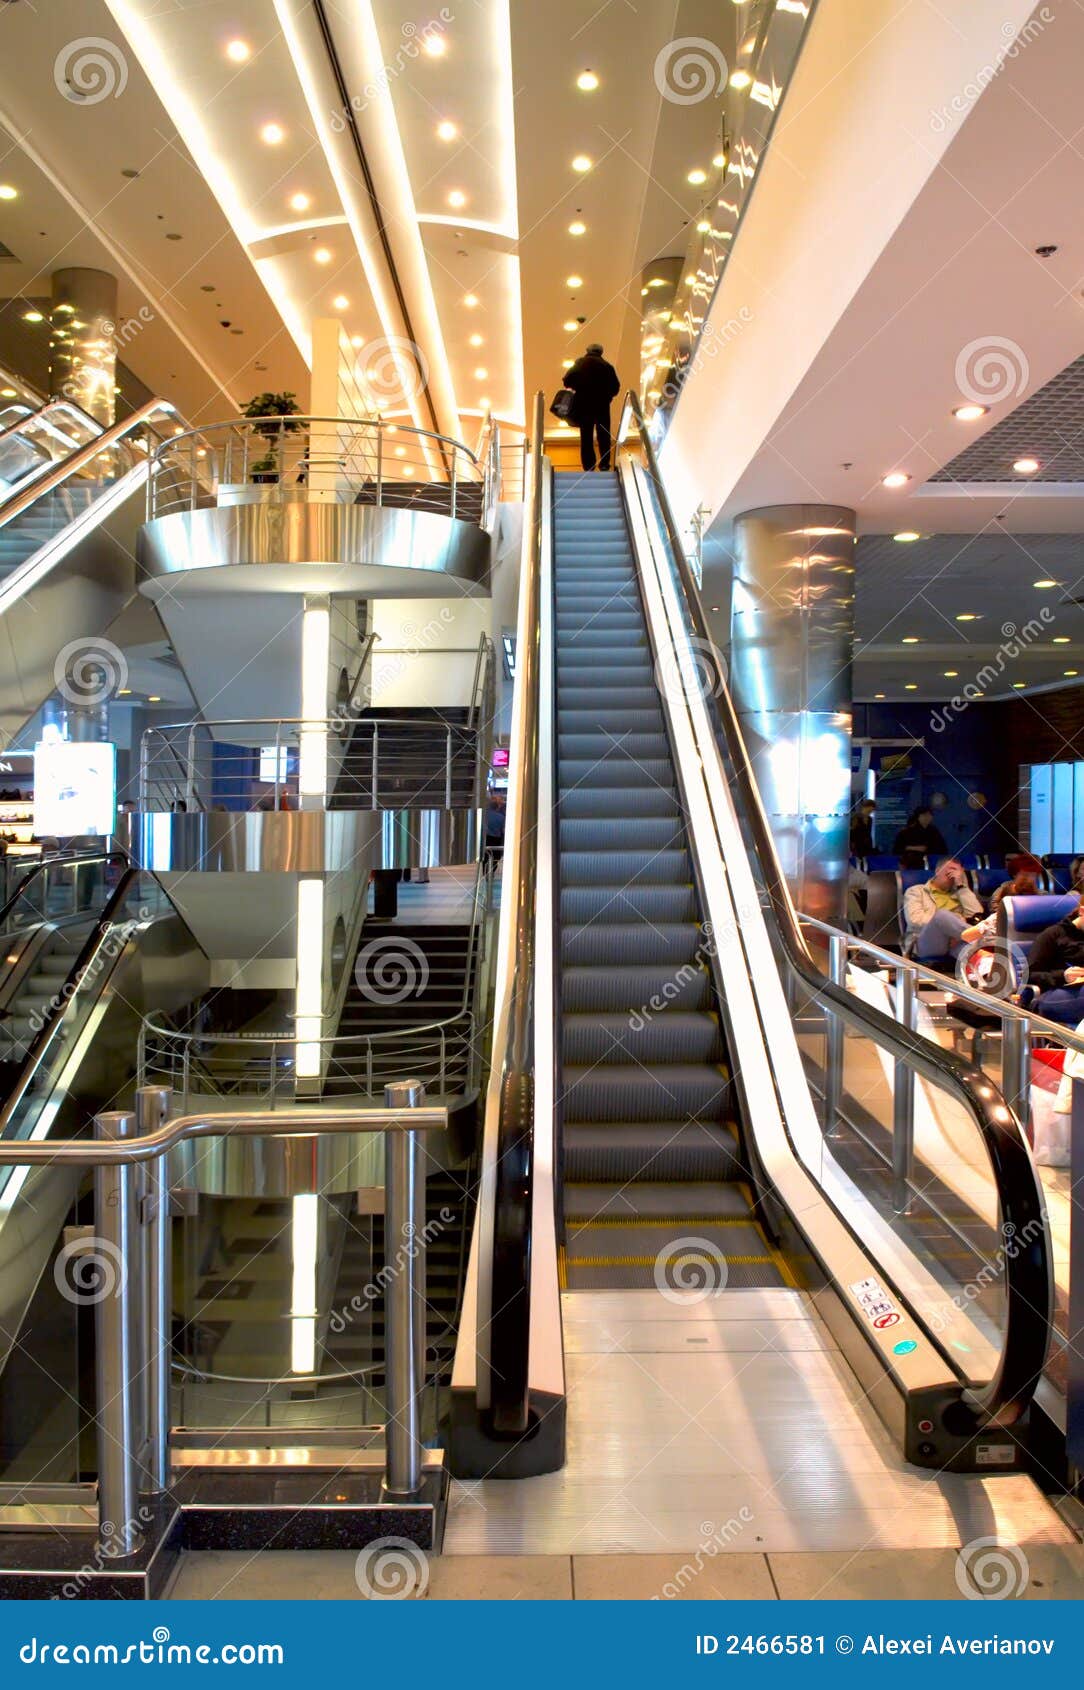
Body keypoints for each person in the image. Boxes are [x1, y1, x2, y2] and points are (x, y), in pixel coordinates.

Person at [902, 856, 983, 963]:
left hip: (956, 941)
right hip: (925, 942)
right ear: (937, 870)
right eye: (949, 869)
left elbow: (976, 915)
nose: (953, 873)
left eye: (957, 871)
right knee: (942, 915)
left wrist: (961, 887)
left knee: (978, 955)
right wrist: (952, 922)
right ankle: (986, 938)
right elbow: (915, 920)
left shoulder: (960, 893)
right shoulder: (916, 891)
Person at [1020, 901, 1084, 1024]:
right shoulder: (1052, 935)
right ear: (1082, 911)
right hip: (1052, 994)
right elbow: (1028, 975)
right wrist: (1063, 976)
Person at [562, 342, 620, 472]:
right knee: (604, 435)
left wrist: (579, 387)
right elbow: (616, 387)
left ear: (587, 351)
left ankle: (589, 466)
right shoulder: (607, 366)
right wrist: (607, 396)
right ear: (601, 352)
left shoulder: (580, 363)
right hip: (602, 405)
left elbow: (567, 380)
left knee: (586, 436)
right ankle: (605, 464)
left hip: (584, 405)